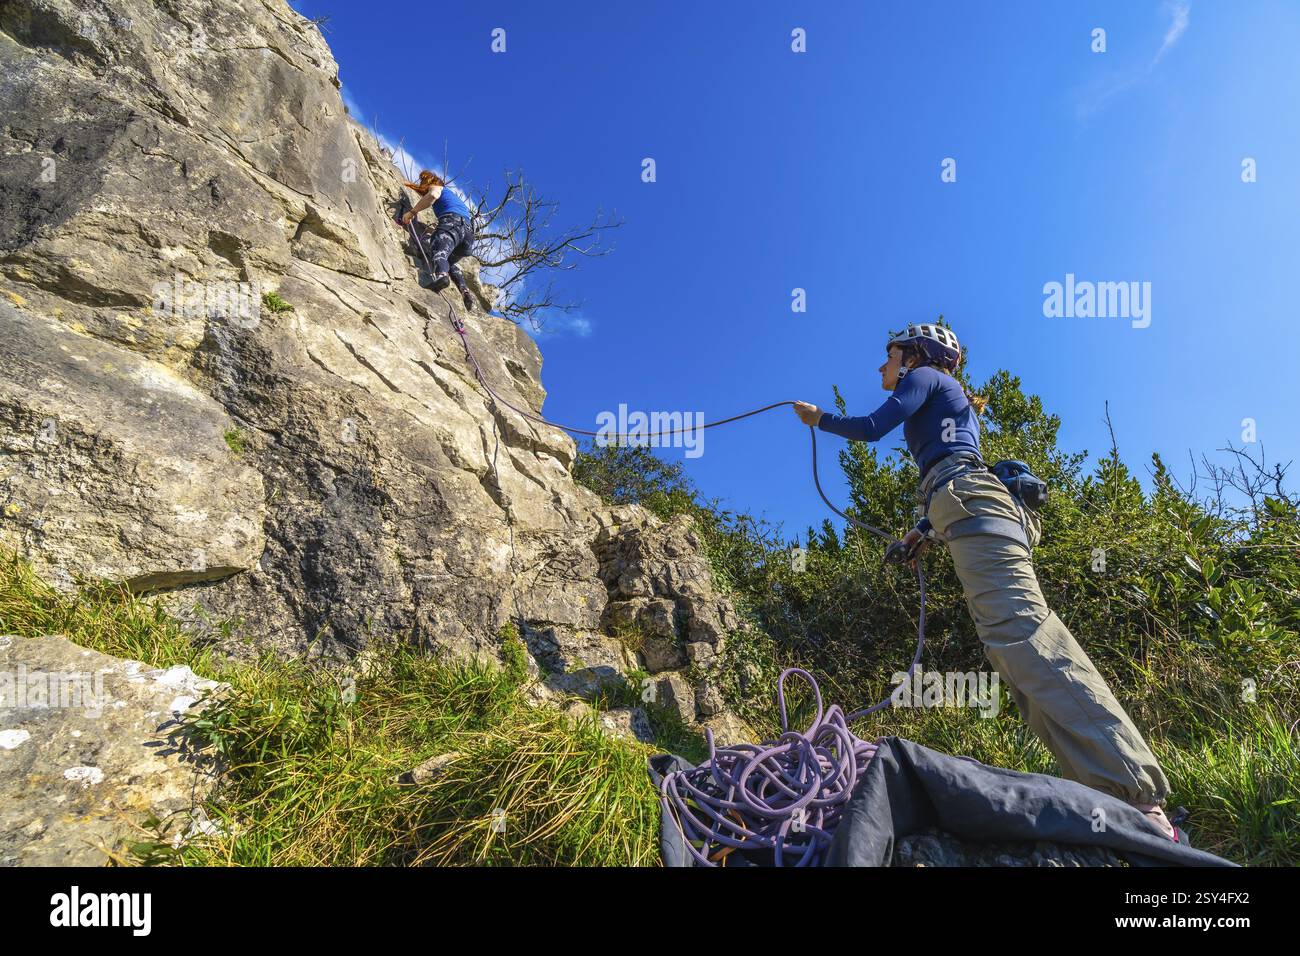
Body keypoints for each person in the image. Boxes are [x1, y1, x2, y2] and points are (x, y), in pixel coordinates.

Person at [793, 321, 1186, 843]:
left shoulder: (926, 376)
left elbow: (870, 427)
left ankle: (1141, 799)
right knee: (1013, 656)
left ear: (915, 354)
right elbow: (953, 466)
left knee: (1025, 637)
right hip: (968, 504)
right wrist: (918, 535)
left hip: (971, 502)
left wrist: (820, 419)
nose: (881, 368)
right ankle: (1111, 802)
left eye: (888, 357)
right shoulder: (945, 399)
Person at [400, 169, 477, 313]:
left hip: (453, 222)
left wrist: (412, 212)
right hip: (468, 235)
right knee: (448, 261)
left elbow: (433, 195)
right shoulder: (454, 199)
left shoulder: (437, 187)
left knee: (438, 247)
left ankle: (442, 277)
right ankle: (465, 290)